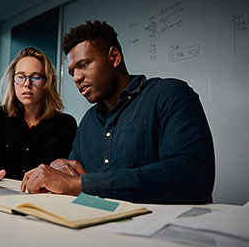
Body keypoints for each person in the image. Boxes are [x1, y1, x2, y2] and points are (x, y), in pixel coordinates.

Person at [21, 20, 215, 204]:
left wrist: (80, 184)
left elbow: (194, 176)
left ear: (114, 57)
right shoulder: (88, 121)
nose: (77, 78)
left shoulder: (169, 95)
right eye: (72, 72)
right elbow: (70, 176)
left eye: (84, 64)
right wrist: (59, 168)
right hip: (93, 226)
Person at [0, 47, 77, 188]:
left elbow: (58, 166)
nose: (27, 84)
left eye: (36, 77)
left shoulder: (65, 124)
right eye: (21, 77)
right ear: (13, 81)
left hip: (39, 198)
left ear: (47, 83)